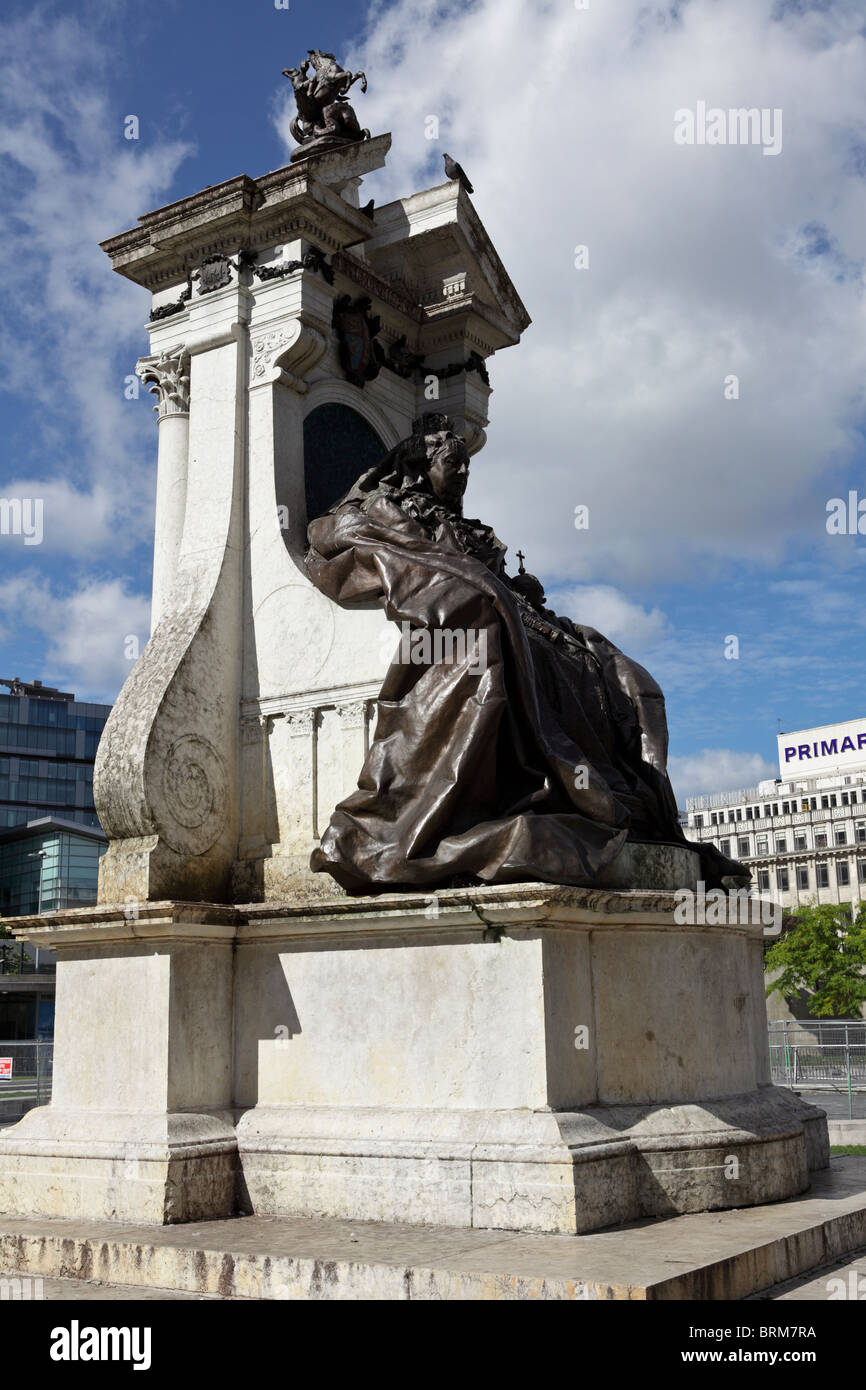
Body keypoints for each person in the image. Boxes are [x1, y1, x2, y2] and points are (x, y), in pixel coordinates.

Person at [304, 412, 744, 892]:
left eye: (468, 464)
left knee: (610, 666)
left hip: (503, 604)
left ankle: (597, 796)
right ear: (421, 465)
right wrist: (470, 580)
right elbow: (346, 532)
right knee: (484, 626)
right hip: (461, 602)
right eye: (454, 462)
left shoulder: (464, 523)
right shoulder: (392, 504)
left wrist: (515, 589)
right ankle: (479, 804)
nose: (465, 472)